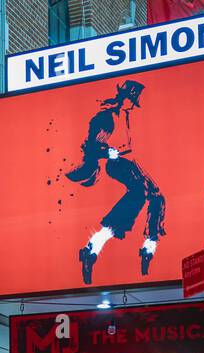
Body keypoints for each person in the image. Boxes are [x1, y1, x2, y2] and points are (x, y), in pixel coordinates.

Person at [68, 77, 166, 282]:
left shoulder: (126, 115)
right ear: (124, 98)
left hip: (131, 162)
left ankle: (149, 245)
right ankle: (93, 247)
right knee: (140, 192)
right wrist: (108, 151)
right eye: (132, 100)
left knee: (156, 196)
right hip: (117, 164)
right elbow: (92, 146)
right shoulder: (107, 117)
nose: (134, 104)